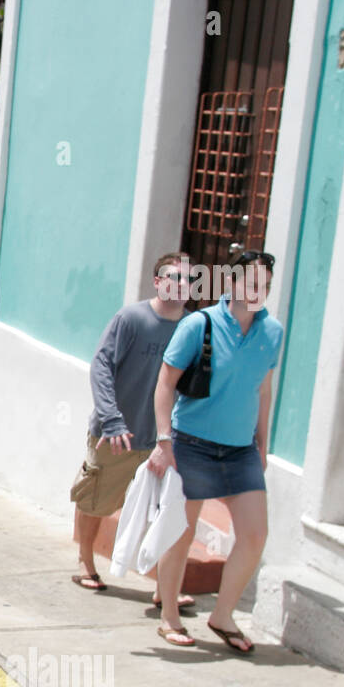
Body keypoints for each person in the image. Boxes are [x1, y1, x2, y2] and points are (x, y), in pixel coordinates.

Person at [149, 251, 284, 650]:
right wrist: (163, 440)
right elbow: (164, 384)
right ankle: (169, 615)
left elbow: (263, 390)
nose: (259, 292)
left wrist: (263, 444)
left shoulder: (272, 332)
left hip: (241, 450)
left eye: (266, 286)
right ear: (232, 283)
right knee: (181, 533)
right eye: (252, 283)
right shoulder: (199, 324)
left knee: (255, 533)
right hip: (192, 443)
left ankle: (223, 616)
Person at [70, 252, 195, 609]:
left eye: (189, 279)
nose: (181, 285)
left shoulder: (192, 327)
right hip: (117, 433)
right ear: (158, 281)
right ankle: (85, 560)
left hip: (164, 440)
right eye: (174, 277)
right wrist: (111, 419)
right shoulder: (131, 318)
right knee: (97, 497)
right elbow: (102, 366)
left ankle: (163, 586)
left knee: (165, 510)